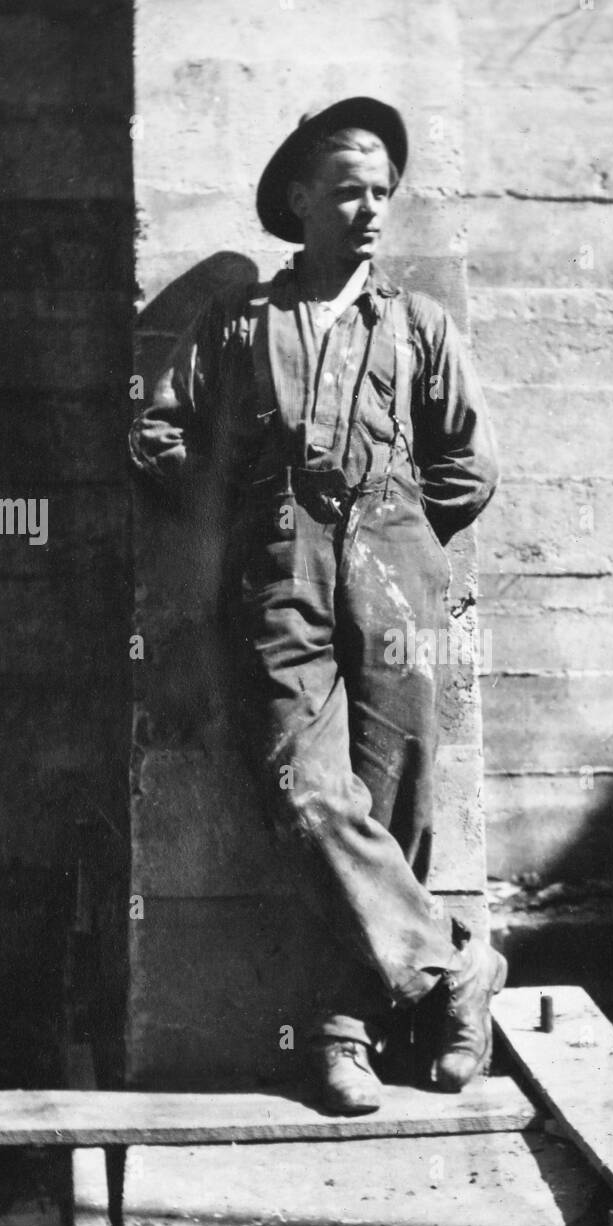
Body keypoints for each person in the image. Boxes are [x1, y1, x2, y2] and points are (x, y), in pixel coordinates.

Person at [129, 96, 506, 1115]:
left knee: (398, 795)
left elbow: (468, 463)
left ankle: (343, 1034)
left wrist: (398, 529)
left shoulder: (419, 324)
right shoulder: (240, 322)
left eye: (383, 192)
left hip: (394, 567)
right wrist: (245, 506)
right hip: (275, 572)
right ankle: (458, 968)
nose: (372, 209)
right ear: (299, 200)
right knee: (306, 792)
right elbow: (155, 436)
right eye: (348, 191)